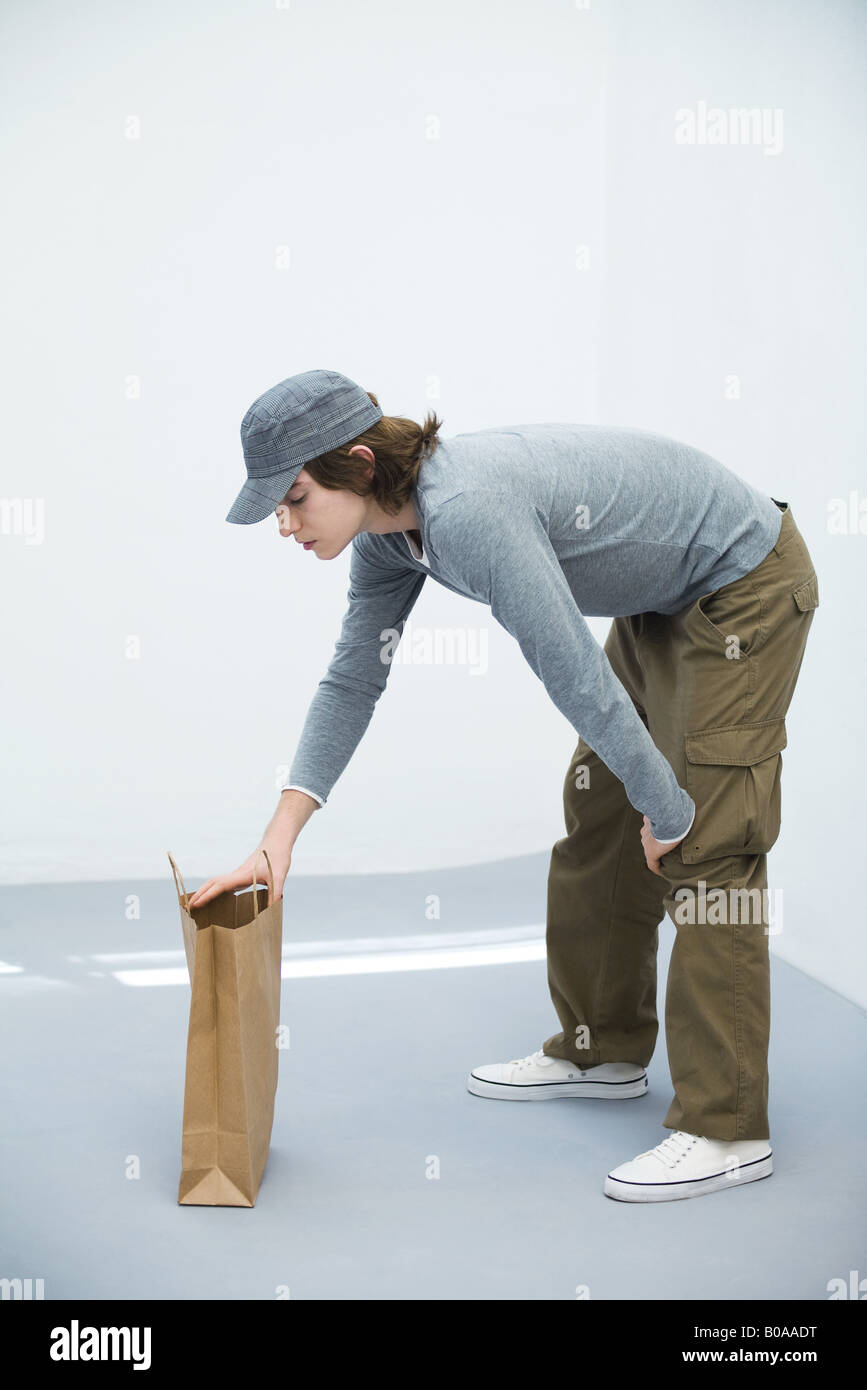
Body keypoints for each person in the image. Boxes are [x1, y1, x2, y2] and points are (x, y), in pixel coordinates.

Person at [187, 369, 819, 1204]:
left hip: (740, 583)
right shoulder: (386, 537)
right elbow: (352, 680)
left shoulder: (468, 511)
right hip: (658, 595)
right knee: (600, 811)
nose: (284, 523)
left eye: (295, 497)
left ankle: (727, 1128)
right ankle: (602, 1049)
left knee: (703, 836)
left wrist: (667, 808)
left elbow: (569, 675)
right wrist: (278, 839)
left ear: (361, 465)